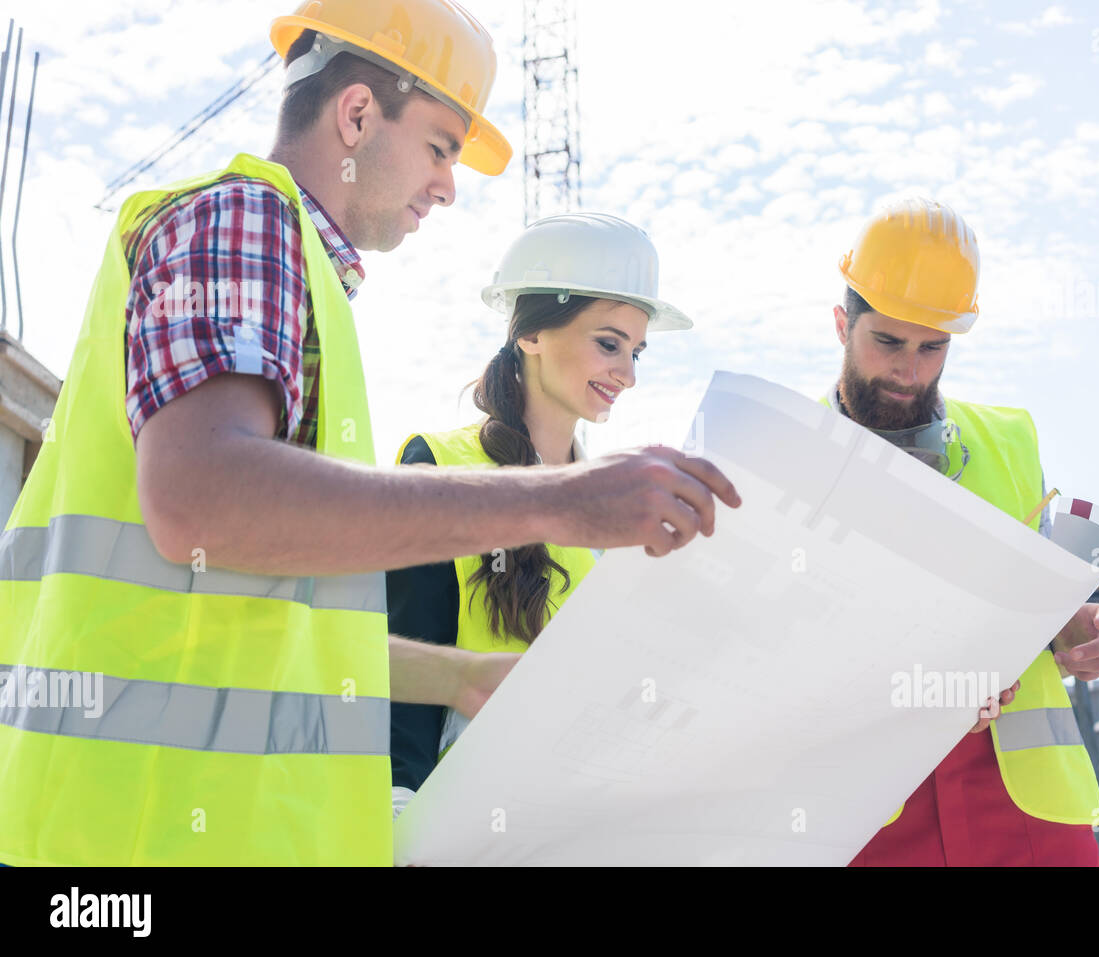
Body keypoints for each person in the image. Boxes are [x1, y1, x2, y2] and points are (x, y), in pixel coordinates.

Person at [0, 0, 738, 867]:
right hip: (142, 838)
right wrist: (559, 501)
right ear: (357, 113)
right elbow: (199, 503)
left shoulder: (300, 278)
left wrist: (456, 677)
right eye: (439, 147)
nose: (448, 186)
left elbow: (285, 613)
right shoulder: (243, 223)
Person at [824, 199, 1099, 867]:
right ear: (842, 324)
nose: (911, 370)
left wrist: (1075, 628)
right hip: (874, 819)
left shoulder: (1010, 441)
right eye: (889, 342)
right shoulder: (788, 459)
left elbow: (1044, 598)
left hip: (1028, 814)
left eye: (934, 347)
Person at [387, 212, 695, 816]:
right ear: (531, 334)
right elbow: (402, 672)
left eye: (637, 352)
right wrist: (400, 814)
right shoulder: (439, 465)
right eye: (608, 344)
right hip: (457, 831)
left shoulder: (614, 521)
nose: (627, 375)